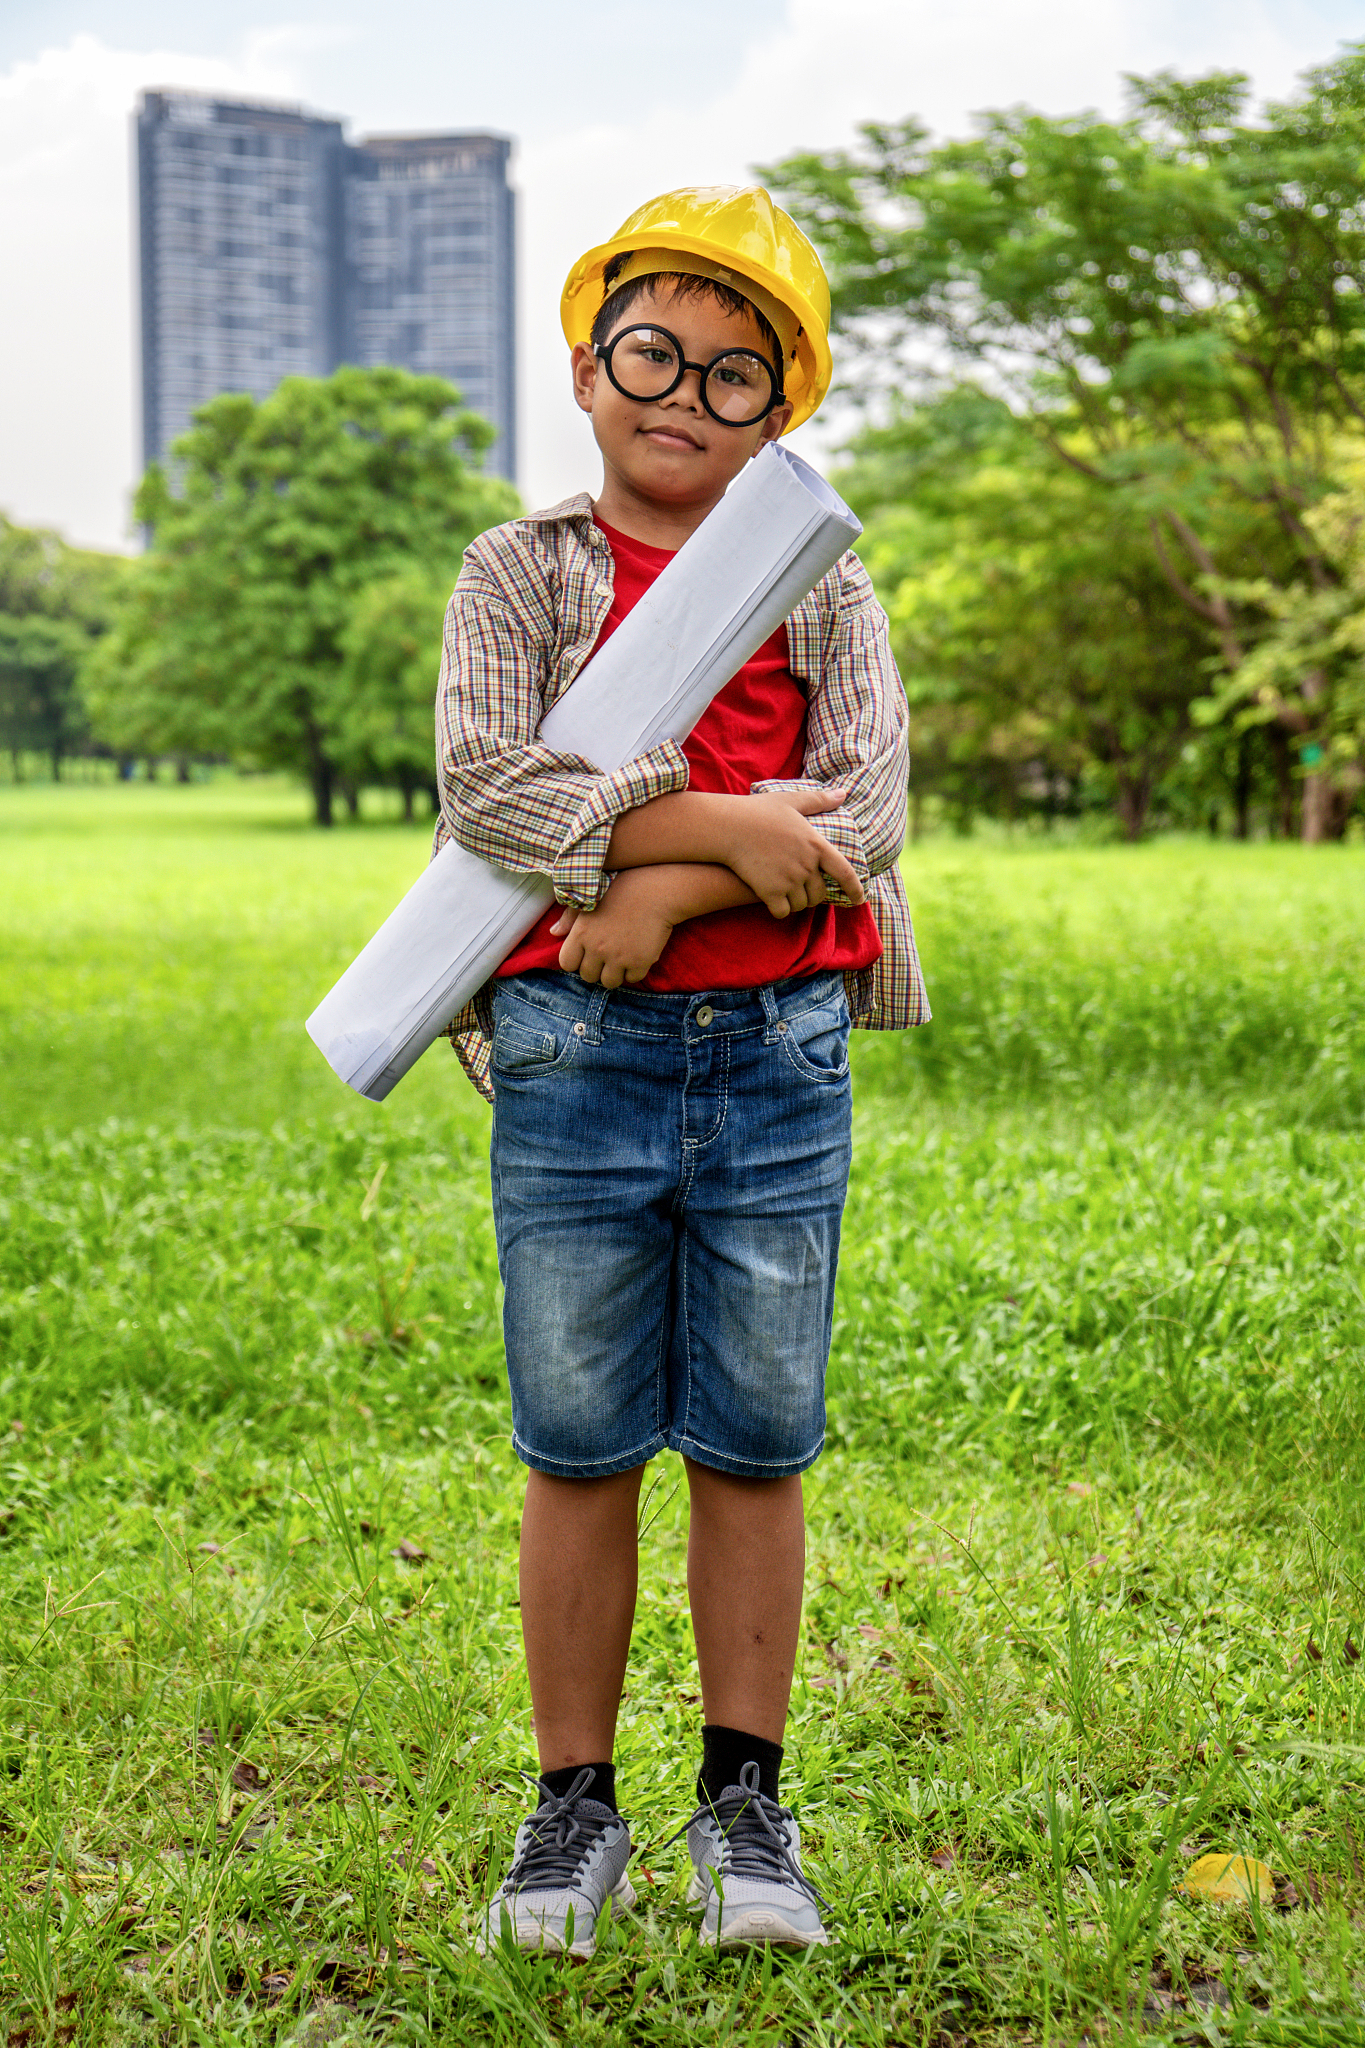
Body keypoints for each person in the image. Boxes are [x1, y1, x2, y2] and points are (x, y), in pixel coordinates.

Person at [433, 186, 929, 1955]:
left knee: (753, 1440)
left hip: (781, 1054)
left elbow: (864, 813)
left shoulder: (825, 577)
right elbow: (488, 788)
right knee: (575, 1447)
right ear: (587, 363)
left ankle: (746, 1809)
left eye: (737, 376)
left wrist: (653, 884)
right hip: (577, 1056)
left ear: (778, 412)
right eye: (655, 353)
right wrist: (712, 819)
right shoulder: (521, 569)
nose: (686, 396)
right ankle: (571, 1817)